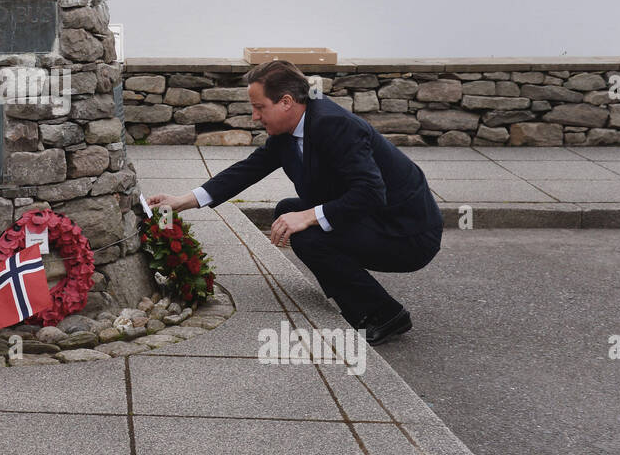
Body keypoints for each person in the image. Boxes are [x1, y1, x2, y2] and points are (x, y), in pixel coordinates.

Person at [147, 60, 443, 345]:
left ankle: (384, 314)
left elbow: (370, 191)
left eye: (260, 107)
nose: (255, 117)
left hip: (408, 232)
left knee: (305, 232)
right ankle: (353, 297)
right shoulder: (290, 129)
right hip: (378, 218)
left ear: (286, 102)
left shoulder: (334, 125)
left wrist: (310, 216)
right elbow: (250, 169)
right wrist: (184, 201)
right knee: (287, 213)